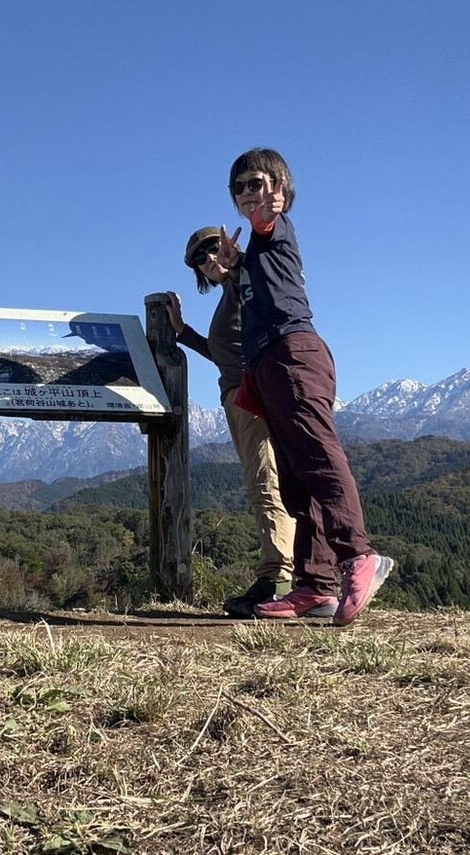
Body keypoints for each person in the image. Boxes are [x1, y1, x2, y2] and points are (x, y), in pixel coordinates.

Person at [218, 148, 393, 626]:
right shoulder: (256, 253)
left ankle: (359, 555)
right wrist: (235, 270)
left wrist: (263, 222)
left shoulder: (276, 230)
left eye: (258, 183)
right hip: (270, 364)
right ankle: (315, 587)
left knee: (317, 457)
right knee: (295, 478)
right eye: (240, 188)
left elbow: (270, 225)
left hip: (292, 354)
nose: (250, 195)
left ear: (280, 187)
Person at [168, 227, 296, 617]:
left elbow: (253, 280)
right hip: (239, 397)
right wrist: (183, 332)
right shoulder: (227, 299)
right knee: (267, 480)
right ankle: (291, 573)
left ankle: (277, 579)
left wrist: (238, 262)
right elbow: (224, 354)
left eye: (213, 250)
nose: (209, 260)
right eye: (200, 260)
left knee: (265, 481)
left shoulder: (244, 285)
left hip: (253, 396)